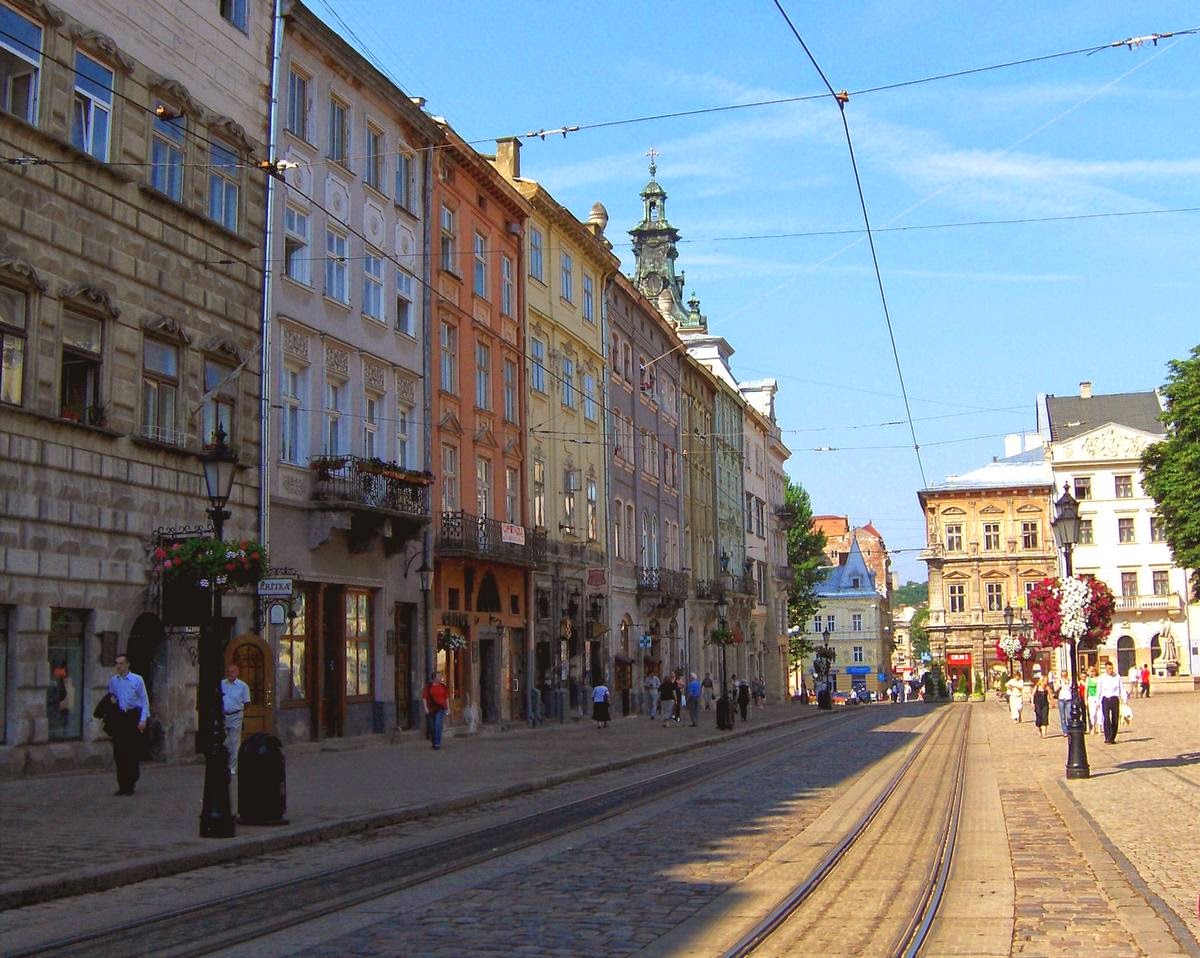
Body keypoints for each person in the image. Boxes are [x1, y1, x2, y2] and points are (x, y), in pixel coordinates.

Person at [104, 653, 149, 795]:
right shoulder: (113, 681)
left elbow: (144, 700)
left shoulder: (137, 680)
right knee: (119, 753)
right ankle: (122, 784)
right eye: (117, 663)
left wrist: (143, 719)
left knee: (131, 752)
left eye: (121, 663)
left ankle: (131, 782)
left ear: (128, 664)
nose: (119, 666)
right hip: (120, 719)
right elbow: (111, 697)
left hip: (132, 717)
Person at [221, 662, 251, 774]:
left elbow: (247, 703)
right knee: (225, 741)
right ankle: (224, 763)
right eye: (228, 672)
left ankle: (233, 767)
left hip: (236, 715)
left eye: (232, 672)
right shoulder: (222, 684)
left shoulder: (243, 686)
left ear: (237, 673)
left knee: (234, 741)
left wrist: (239, 711)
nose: (230, 674)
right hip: (223, 716)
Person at [1097, 661, 1128, 744]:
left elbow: (1122, 689)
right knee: (1106, 718)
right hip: (1105, 699)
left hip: (1114, 699)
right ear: (1106, 669)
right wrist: (1097, 701)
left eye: (1111, 668)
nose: (1110, 670)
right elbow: (1098, 690)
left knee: (1115, 719)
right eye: (1109, 669)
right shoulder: (1101, 678)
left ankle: (1112, 737)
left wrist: (1125, 700)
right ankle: (1108, 737)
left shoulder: (1117, 677)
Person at [423, 671, 449, 749]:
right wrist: (426, 708)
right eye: (438, 676)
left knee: (438, 725)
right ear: (434, 678)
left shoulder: (443, 686)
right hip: (431, 708)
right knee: (432, 726)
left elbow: (446, 698)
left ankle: (437, 743)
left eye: (440, 676)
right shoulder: (429, 686)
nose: (440, 678)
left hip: (441, 708)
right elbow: (424, 698)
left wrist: (448, 708)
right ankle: (434, 741)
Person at [1055, 669, 1073, 735]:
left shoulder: (1069, 681)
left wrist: (1067, 683)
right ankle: (1065, 731)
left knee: (1069, 716)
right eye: (1062, 675)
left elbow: (1071, 688)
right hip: (1061, 699)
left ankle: (1069, 729)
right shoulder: (1059, 681)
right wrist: (1059, 685)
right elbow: (1055, 689)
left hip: (1068, 698)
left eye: (1065, 675)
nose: (1064, 676)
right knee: (1062, 716)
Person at [1084, 666, 1100, 736]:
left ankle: (1099, 728)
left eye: (1093, 671)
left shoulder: (1098, 679)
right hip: (1091, 697)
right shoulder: (1088, 679)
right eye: (1090, 671)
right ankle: (1093, 727)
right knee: (1092, 713)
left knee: (1099, 713)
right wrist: (1085, 699)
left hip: (1097, 697)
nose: (1091, 673)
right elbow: (1086, 690)